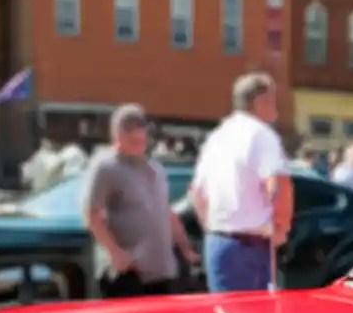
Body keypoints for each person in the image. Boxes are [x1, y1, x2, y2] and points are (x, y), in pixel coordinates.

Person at [82, 104, 198, 298]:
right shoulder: (106, 167)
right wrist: (116, 254)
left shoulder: (155, 170)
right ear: (117, 135)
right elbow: (92, 214)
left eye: (140, 130)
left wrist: (186, 249)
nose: (138, 137)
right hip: (128, 272)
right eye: (129, 131)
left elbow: (166, 212)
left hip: (161, 270)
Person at [191, 73, 293, 292]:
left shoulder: (216, 137)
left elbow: (197, 193)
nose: (276, 106)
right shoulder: (262, 135)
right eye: (272, 99)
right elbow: (277, 185)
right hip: (252, 248)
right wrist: (281, 228)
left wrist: (212, 226)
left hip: (218, 244)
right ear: (260, 102)